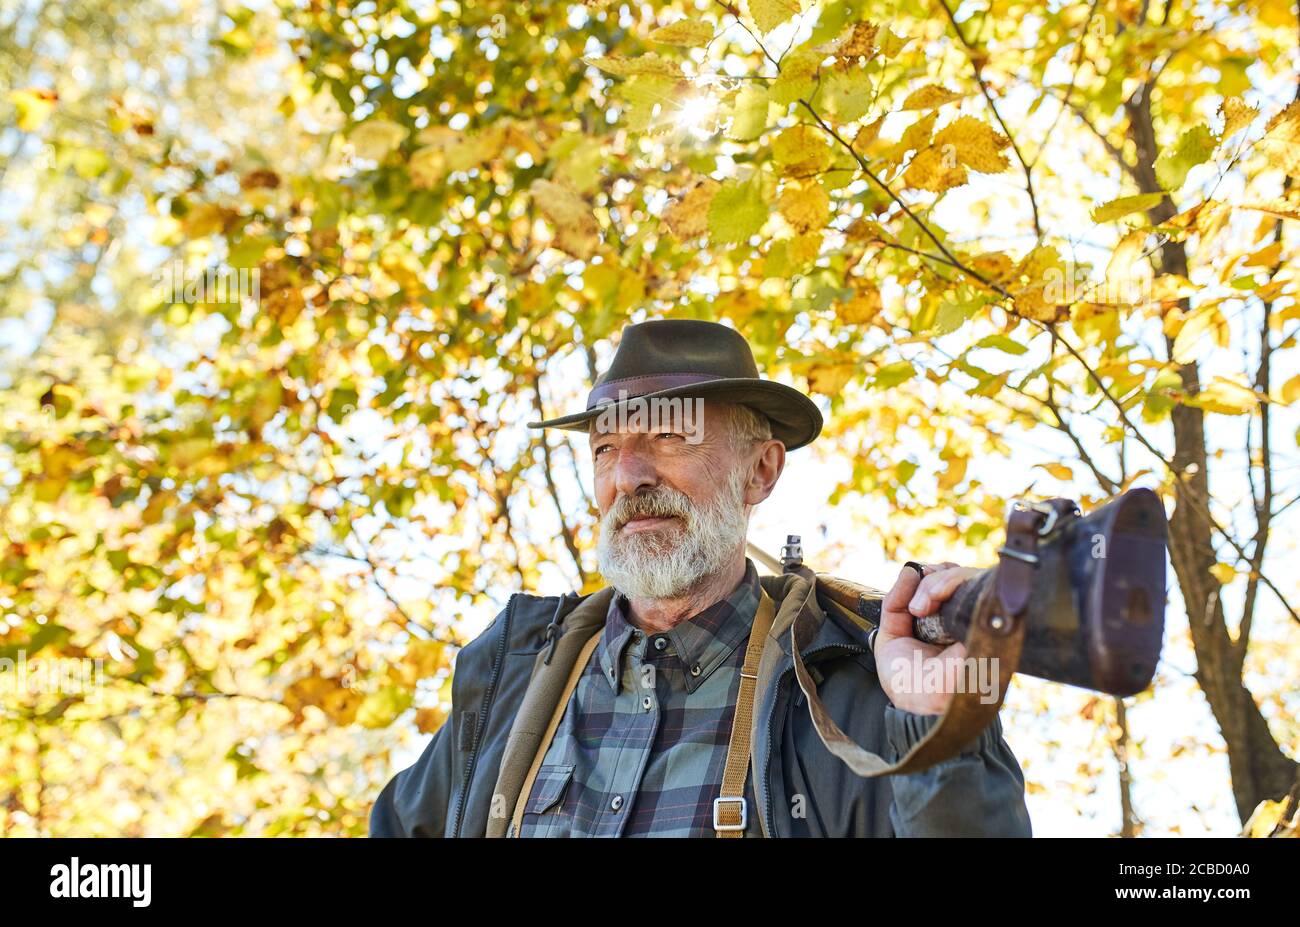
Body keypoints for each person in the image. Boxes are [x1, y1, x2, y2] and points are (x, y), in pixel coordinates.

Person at [369, 319, 1031, 837]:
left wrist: (939, 722)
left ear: (761, 472)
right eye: (605, 449)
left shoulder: (854, 692)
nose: (628, 476)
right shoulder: (513, 678)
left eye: (667, 436)